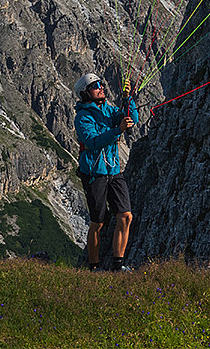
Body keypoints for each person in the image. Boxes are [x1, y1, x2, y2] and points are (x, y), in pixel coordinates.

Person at [73, 72, 139, 271]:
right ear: (85, 94)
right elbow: (92, 142)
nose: (101, 87)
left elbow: (132, 118)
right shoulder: (83, 117)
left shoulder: (110, 110)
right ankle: (94, 268)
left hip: (113, 170)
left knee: (126, 216)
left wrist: (128, 99)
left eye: (100, 84)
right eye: (95, 86)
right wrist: (117, 130)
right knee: (98, 222)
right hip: (95, 173)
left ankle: (117, 266)